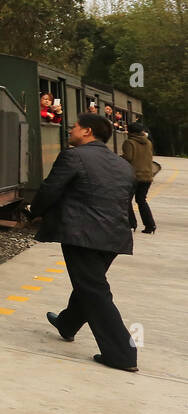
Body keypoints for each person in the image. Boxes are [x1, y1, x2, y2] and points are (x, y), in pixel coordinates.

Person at [27, 112, 138, 371]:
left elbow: (50, 189)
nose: (71, 130)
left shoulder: (73, 156)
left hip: (83, 235)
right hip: (115, 235)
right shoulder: (122, 164)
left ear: (87, 132)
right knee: (89, 283)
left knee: (95, 290)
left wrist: (34, 211)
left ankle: (122, 354)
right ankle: (67, 323)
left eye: (75, 127)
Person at [121, 121, 157, 234]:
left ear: (130, 131)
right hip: (147, 176)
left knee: (126, 200)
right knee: (141, 200)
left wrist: (118, 158)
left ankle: (131, 223)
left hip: (134, 176)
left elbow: (128, 158)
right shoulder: (148, 143)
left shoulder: (129, 142)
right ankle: (150, 225)